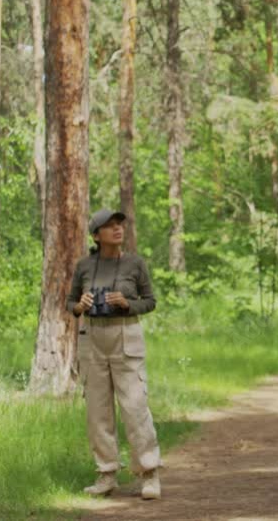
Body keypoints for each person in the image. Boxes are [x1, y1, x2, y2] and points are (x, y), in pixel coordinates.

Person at [67, 208, 162, 500]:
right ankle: (106, 475)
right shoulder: (84, 266)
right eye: (109, 227)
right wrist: (80, 306)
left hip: (126, 334)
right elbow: (71, 303)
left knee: (135, 407)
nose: (118, 229)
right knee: (98, 410)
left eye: (119, 224)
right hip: (91, 337)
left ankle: (149, 474)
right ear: (96, 236)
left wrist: (127, 303)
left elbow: (150, 301)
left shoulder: (135, 264)